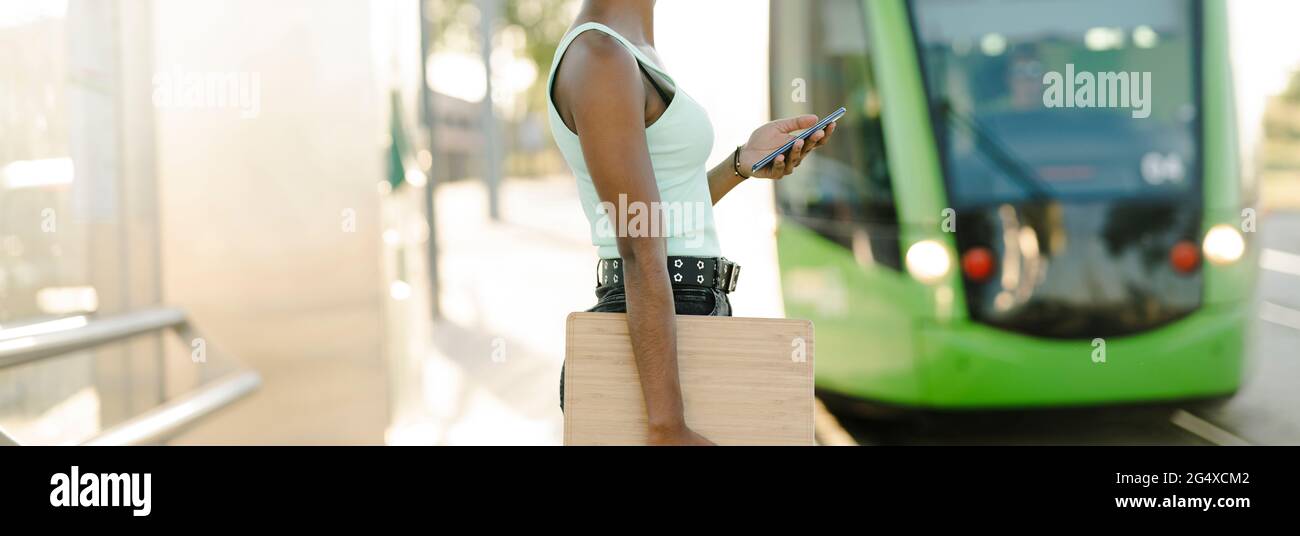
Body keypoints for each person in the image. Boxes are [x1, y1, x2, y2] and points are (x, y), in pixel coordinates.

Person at [548, 0, 836, 445]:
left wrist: (740, 164)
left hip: (685, 310)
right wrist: (667, 428)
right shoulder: (600, 56)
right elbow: (640, 247)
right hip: (659, 320)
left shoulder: (630, 49)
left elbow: (662, 213)